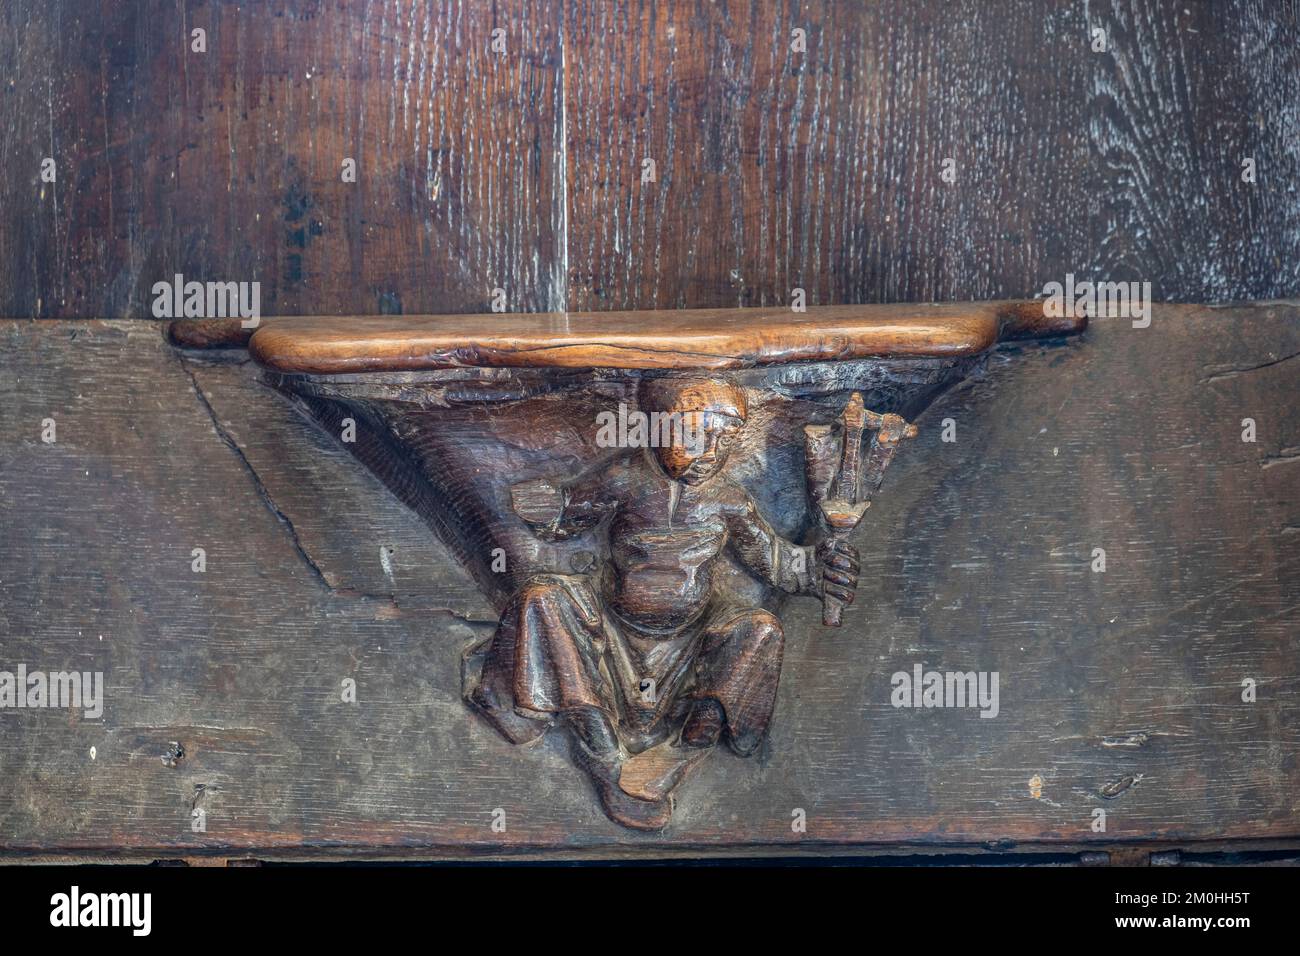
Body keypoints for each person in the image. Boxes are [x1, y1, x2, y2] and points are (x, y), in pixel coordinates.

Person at [466, 376, 859, 828]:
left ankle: (691, 743)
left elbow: (777, 563)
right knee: (542, 599)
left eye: (725, 438)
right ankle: (603, 755)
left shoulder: (729, 501)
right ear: (658, 428)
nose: (709, 451)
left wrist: (819, 571)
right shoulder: (623, 477)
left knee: (761, 629)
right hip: (608, 630)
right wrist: (547, 509)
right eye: (695, 434)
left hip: (689, 642)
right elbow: (572, 515)